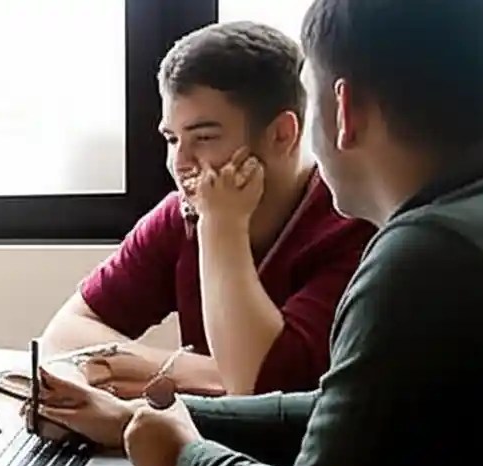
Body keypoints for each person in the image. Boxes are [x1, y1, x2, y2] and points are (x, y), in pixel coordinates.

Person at [33, 0, 483, 466]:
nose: (182, 161)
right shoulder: (465, 223)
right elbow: (337, 407)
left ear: (341, 109)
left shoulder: (421, 257)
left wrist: (185, 456)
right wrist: (145, 415)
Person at [40, 21, 374, 399]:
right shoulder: (180, 216)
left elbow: (258, 386)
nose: (179, 163)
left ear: (283, 134)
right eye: (171, 139)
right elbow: (64, 334)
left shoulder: (352, 229)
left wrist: (222, 224)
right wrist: (194, 374)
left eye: (204, 138)